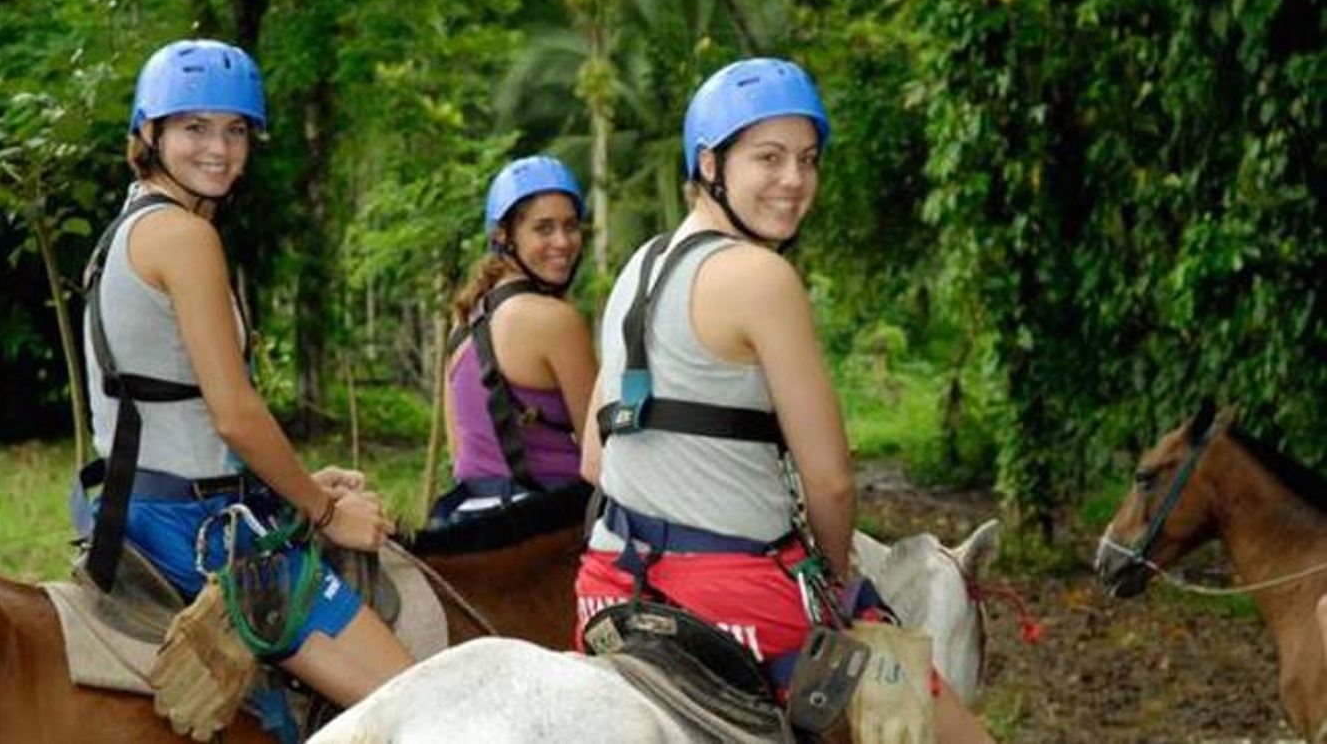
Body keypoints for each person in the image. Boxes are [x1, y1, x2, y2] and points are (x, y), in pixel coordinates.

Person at [573, 57, 992, 742]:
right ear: (711, 163)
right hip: (737, 605)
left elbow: (594, 460)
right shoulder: (762, 276)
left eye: (808, 158)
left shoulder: (637, 267)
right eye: (768, 156)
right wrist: (834, 578)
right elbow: (829, 480)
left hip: (608, 592)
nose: (794, 179)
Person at [77, 39, 411, 708]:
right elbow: (234, 411)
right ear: (150, 131)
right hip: (191, 524)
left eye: (235, 131)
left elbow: (184, 412)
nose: (219, 149)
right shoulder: (185, 236)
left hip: (144, 505)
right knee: (417, 701)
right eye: (194, 127)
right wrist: (324, 512)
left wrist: (289, 487)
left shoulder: (126, 229)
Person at [430, 156, 597, 526]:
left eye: (571, 226)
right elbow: (601, 452)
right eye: (544, 228)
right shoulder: (555, 320)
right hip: (549, 525)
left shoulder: (463, 323)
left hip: (470, 518)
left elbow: (460, 453)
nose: (563, 242)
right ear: (504, 236)